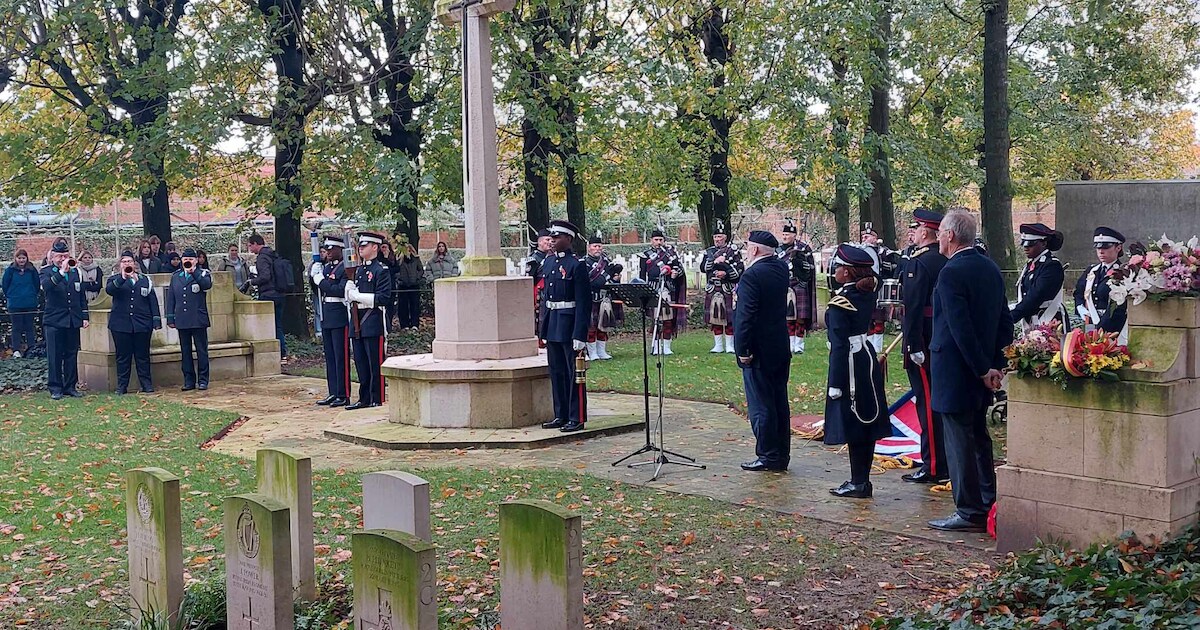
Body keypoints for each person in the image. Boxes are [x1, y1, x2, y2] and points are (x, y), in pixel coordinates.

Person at [928, 209, 1013, 532]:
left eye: (940, 233)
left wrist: (981, 368)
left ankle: (968, 509)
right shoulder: (989, 267)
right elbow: (1004, 321)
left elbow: (959, 326)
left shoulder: (952, 272)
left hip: (957, 368)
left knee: (959, 440)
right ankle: (988, 498)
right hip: (982, 368)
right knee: (978, 435)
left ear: (950, 235)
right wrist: (995, 365)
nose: (937, 237)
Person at [823, 244, 891, 497]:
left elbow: (839, 347)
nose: (836, 270)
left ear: (848, 273)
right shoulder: (865, 293)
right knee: (866, 418)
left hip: (850, 363)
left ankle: (859, 481)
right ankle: (860, 479)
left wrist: (835, 383)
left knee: (855, 420)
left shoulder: (842, 302)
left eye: (839, 266)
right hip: (866, 357)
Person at [735, 230, 792, 472]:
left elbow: (745, 316)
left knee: (761, 405)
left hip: (758, 348)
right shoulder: (780, 269)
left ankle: (768, 455)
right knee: (779, 402)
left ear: (755, 250)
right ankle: (781, 454)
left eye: (748, 247)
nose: (746, 251)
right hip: (779, 344)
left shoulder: (752, 275)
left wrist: (743, 348)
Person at [899, 209, 949, 485]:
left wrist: (913, 343)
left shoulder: (920, 262)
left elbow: (914, 307)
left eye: (916, 228)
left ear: (926, 232)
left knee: (927, 403)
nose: (914, 233)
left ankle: (933, 464)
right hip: (939, 336)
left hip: (924, 339)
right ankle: (939, 458)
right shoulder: (944, 258)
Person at [538, 220, 592, 433]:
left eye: (557, 237)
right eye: (551, 236)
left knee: (573, 373)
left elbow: (583, 302)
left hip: (570, 325)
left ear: (568, 240)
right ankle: (560, 414)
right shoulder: (549, 263)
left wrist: (580, 333)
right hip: (553, 324)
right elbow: (546, 299)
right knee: (557, 371)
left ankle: (575, 416)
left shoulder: (576, 265)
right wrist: (543, 328)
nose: (552, 240)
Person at [345, 231, 392, 410]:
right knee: (360, 361)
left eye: (364, 246)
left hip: (372, 320)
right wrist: (349, 292)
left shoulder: (381, 270)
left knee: (374, 362)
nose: (361, 248)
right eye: (360, 246)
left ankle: (376, 397)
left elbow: (383, 298)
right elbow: (351, 297)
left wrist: (358, 296)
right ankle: (363, 397)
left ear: (375, 248)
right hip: (357, 321)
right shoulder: (359, 270)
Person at [106, 251, 161, 394]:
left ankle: (146, 384)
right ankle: (122, 386)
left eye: (129, 261)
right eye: (124, 262)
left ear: (134, 264)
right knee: (123, 356)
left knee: (142, 356)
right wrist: (123, 278)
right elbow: (110, 291)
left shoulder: (144, 280)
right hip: (121, 325)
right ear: (120, 265)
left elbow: (152, 301)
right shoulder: (114, 279)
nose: (127, 264)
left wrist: (156, 320)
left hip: (142, 324)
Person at [40, 240, 90, 400]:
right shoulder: (46, 271)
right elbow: (46, 287)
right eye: (60, 256)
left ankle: (70, 386)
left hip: (72, 320)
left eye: (66, 255)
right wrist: (61, 272)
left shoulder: (76, 272)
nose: (63, 258)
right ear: (53, 257)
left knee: (71, 354)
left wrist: (84, 316)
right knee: (55, 356)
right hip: (54, 320)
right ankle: (55, 387)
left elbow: (81, 296)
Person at [166, 249, 213, 391]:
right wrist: (170, 318)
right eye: (185, 259)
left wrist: (194, 272)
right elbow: (171, 298)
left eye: (191, 259)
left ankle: (203, 380)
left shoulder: (203, 273)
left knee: (201, 350)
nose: (188, 261)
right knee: (185, 351)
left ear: (196, 260)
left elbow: (206, 285)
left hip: (198, 318)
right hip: (182, 319)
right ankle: (189, 380)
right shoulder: (176, 276)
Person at [1074, 227, 1129, 344]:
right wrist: (1080, 307)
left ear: (1118, 248)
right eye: (1098, 247)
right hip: (1090, 324)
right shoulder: (1092, 270)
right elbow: (1078, 292)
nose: (1101, 251)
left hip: (1112, 328)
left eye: (1106, 247)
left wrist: (1100, 330)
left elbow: (1118, 308)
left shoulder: (1124, 272)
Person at [313, 236, 350, 407]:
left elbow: (339, 290)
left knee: (340, 356)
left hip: (339, 315)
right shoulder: (327, 268)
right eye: (326, 249)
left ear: (339, 250)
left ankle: (343, 393)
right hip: (327, 315)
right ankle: (333, 391)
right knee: (330, 356)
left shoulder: (345, 268)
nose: (327, 252)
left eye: (330, 249)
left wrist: (321, 281)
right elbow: (319, 290)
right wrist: (313, 275)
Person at [1010, 222, 1068, 332]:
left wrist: (1011, 317)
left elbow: (1036, 295)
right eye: (1024, 244)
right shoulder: (1031, 265)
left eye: (1031, 244)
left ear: (1044, 243)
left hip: (1051, 321)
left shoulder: (1051, 266)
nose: (1026, 248)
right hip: (1032, 321)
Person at [637, 228, 687, 355]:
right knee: (656, 320)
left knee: (668, 319)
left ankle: (667, 346)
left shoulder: (670, 254)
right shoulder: (645, 256)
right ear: (651, 241)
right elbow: (642, 276)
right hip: (653, 288)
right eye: (656, 240)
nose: (659, 242)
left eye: (661, 240)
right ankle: (657, 346)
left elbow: (679, 269)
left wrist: (676, 273)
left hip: (668, 288)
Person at [701, 220, 743, 354]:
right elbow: (703, 268)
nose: (717, 239)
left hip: (727, 288)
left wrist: (725, 273)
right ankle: (718, 345)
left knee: (729, 318)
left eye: (720, 237)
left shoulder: (733, 251)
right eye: (715, 237)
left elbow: (740, 269)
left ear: (725, 237)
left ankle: (730, 345)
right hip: (713, 288)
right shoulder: (709, 252)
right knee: (715, 318)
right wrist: (713, 261)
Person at [777, 219, 817, 354]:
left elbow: (810, 267)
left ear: (794, 235)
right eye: (783, 234)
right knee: (787, 317)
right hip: (783, 286)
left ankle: (799, 345)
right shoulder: (777, 249)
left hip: (799, 285)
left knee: (800, 317)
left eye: (787, 234)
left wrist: (801, 266)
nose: (784, 237)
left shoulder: (803, 248)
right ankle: (789, 344)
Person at [247, 234, 288, 361]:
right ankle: (282, 352)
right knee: (278, 325)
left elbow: (265, 276)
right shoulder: (273, 254)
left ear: (255, 244)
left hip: (268, 294)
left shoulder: (262, 258)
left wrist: (252, 282)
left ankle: (274, 353)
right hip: (280, 293)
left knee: (266, 325)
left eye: (250, 245)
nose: (249, 249)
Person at [859, 224, 899, 353]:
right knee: (867, 319)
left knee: (878, 319)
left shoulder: (885, 252)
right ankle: (868, 345)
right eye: (863, 236)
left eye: (868, 236)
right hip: (865, 287)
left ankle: (877, 346)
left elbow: (894, 267)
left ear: (875, 238)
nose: (864, 238)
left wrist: (883, 264)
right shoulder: (859, 252)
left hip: (880, 288)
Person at [584, 233, 623, 360]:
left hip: (605, 298)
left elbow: (612, 279)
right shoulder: (584, 262)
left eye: (600, 246)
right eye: (595, 246)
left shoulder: (606, 262)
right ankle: (592, 352)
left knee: (603, 325)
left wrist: (615, 278)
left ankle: (601, 351)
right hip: (590, 298)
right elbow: (590, 281)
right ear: (589, 247)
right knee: (591, 326)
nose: (598, 249)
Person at [3, 249, 40, 357]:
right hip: (15, 304)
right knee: (16, 327)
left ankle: (31, 349)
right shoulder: (10, 270)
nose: (21, 260)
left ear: (27, 258)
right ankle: (16, 350)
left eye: (23, 258)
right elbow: (5, 284)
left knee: (29, 327)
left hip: (30, 303)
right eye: (19, 258)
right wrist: (11, 295)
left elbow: (37, 284)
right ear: (15, 259)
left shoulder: (32, 270)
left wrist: (32, 294)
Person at [393, 241, 424, 330]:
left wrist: (416, 278)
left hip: (414, 285)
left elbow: (421, 270)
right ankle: (404, 325)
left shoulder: (416, 259)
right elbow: (396, 270)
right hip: (403, 285)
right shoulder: (399, 259)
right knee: (403, 306)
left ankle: (414, 324)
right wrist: (400, 278)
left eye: (409, 249)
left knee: (415, 306)